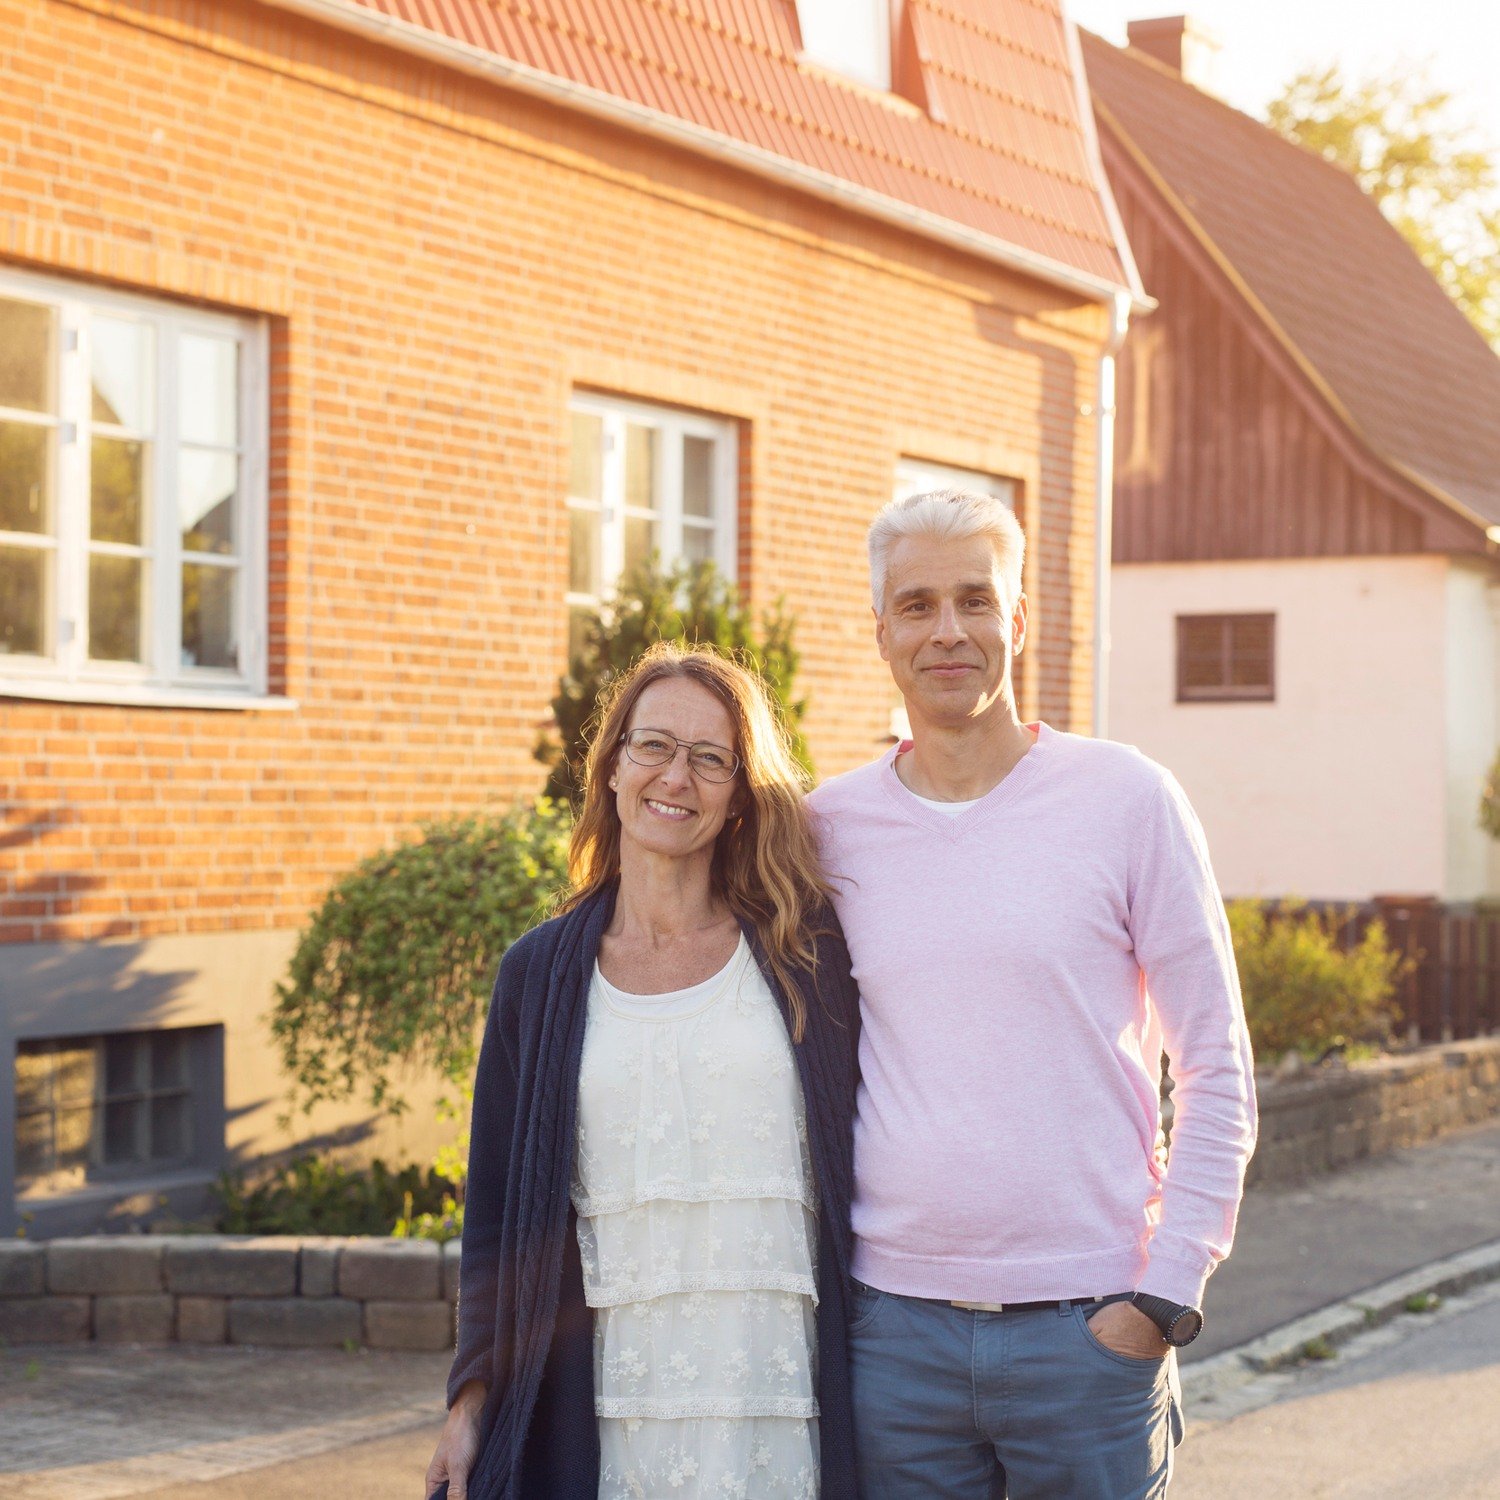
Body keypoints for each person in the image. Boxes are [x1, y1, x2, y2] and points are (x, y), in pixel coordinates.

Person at [807, 489, 1258, 1498]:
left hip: (1090, 1335)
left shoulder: (1127, 799)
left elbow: (1219, 1062)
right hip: (892, 1338)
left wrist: (1165, 1297)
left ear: (1017, 619)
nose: (948, 630)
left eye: (975, 599)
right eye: (917, 606)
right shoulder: (828, 829)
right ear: (879, 630)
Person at [425, 641, 861, 1500]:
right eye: (653, 745)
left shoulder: (803, 958)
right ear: (613, 765)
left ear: (739, 795)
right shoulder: (538, 976)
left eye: (710, 758)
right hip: (613, 1404)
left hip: (781, 1397)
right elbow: (495, 1211)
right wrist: (471, 1400)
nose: (676, 776)